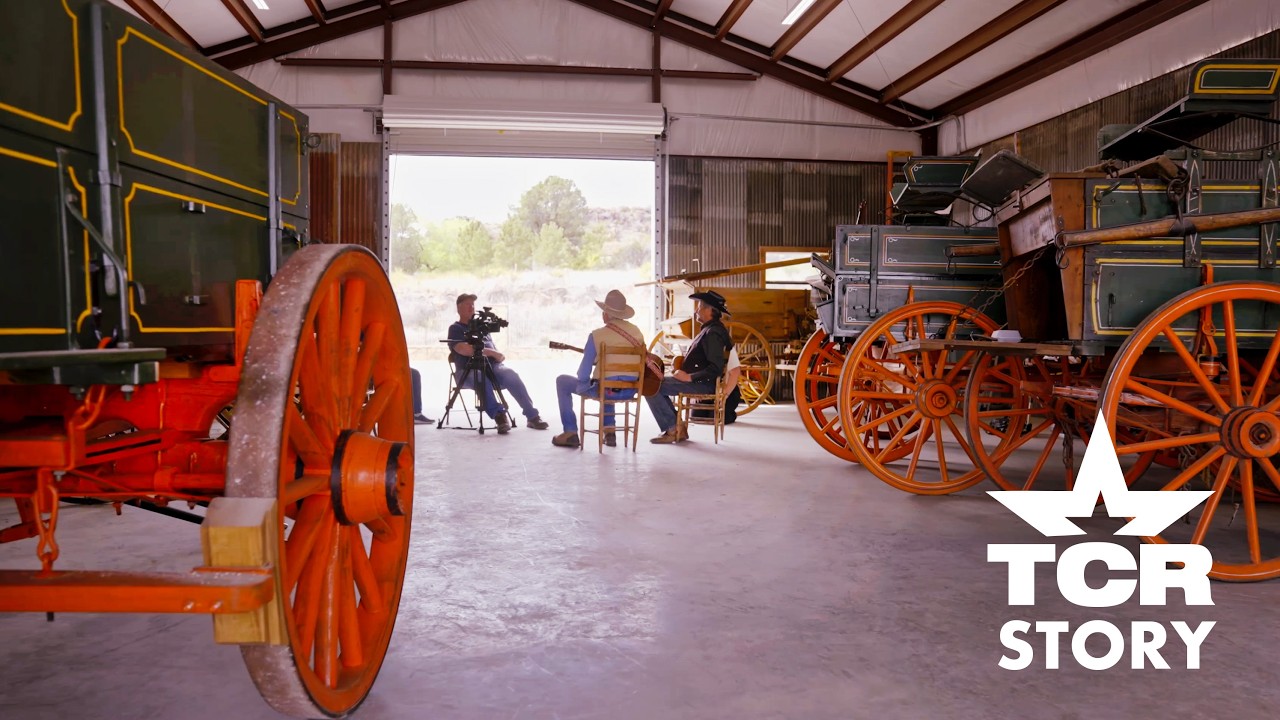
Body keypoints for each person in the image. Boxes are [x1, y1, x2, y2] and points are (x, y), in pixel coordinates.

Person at [550, 290, 646, 448]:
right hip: (631, 389)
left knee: (565, 381)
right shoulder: (637, 333)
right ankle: (609, 432)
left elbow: (583, 372)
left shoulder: (597, 335)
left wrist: (583, 386)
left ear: (606, 314)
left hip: (606, 390)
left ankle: (570, 432)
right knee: (608, 381)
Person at [448, 293, 549, 435]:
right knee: (479, 376)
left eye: (473, 304)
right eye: (467, 304)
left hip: (492, 367)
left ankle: (532, 416)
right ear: (459, 308)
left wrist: (496, 354)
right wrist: (491, 352)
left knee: (510, 375)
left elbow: (494, 351)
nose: (471, 307)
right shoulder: (455, 328)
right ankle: (500, 417)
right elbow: (463, 349)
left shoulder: (481, 327)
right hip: (467, 370)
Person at [646, 290, 732, 444]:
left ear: (709, 310)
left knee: (650, 386)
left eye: (699, 307)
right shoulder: (711, 329)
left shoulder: (713, 333)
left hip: (702, 384)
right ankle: (676, 427)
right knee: (652, 383)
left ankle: (674, 429)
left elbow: (716, 368)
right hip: (697, 381)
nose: (696, 310)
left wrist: (689, 377)